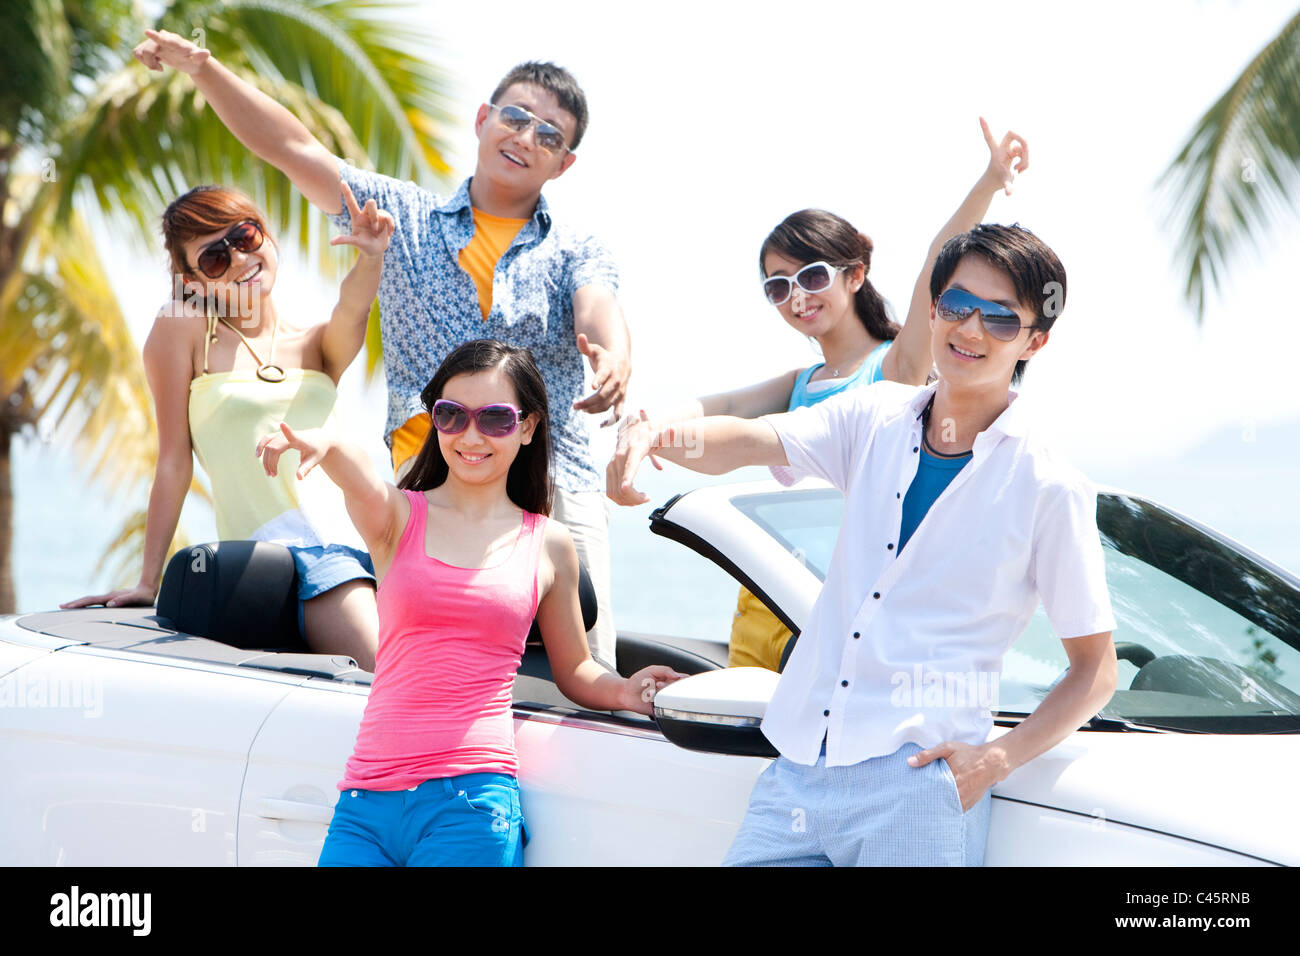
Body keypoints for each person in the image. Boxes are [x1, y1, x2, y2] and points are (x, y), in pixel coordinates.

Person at [609, 224, 1118, 866]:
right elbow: (749, 440)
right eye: (958, 307)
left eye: (1001, 319)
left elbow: (1095, 671)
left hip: (917, 783)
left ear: (1034, 341)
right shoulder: (874, 416)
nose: (971, 330)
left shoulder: (1049, 485)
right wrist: (655, 436)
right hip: (801, 768)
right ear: (932, 309)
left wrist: (995, 761)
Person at [133, 31, 629, 671]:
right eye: (515, 117)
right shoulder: (400, 215)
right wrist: (202, 69)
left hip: (555, 482)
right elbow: (291, 148)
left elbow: (599, 309)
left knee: (586, 672)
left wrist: (613, 355)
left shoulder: (577, 249)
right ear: (484, 120)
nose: (527, 137)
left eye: (550, 135)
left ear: (563, 163)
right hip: (432, 491)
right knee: (432, 669)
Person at [256, 339, 685, 867]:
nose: (471, 435)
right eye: (451, 415)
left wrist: (627, 690)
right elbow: (358, 477)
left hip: (472, 803)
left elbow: (574, 667)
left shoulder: (548, 543)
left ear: (527, 428)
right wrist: (326, 443)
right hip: (364, 801)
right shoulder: (397, 518)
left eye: (496, 419)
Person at [629, 118, 1030, 671]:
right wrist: (643, 429)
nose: (797, 296)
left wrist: (987, 181)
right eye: (778, 286)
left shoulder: (896, 367)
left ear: (856, 275)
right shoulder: (797, 385)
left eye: (812, 276)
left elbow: (935, 266)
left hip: (839, 606)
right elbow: (718, 411)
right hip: (761, 596)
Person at [62, 184, 391, 671]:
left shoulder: (315, 343)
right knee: (393, 679)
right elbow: (174, 458)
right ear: (191, 281)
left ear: (266, 235)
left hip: (377, 544)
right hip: (297, 557)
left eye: (245, 234)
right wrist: (148, 581)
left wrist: (371, 259)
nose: (238, 258)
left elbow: (353, 310)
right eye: (214, 258)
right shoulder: (183, 330)